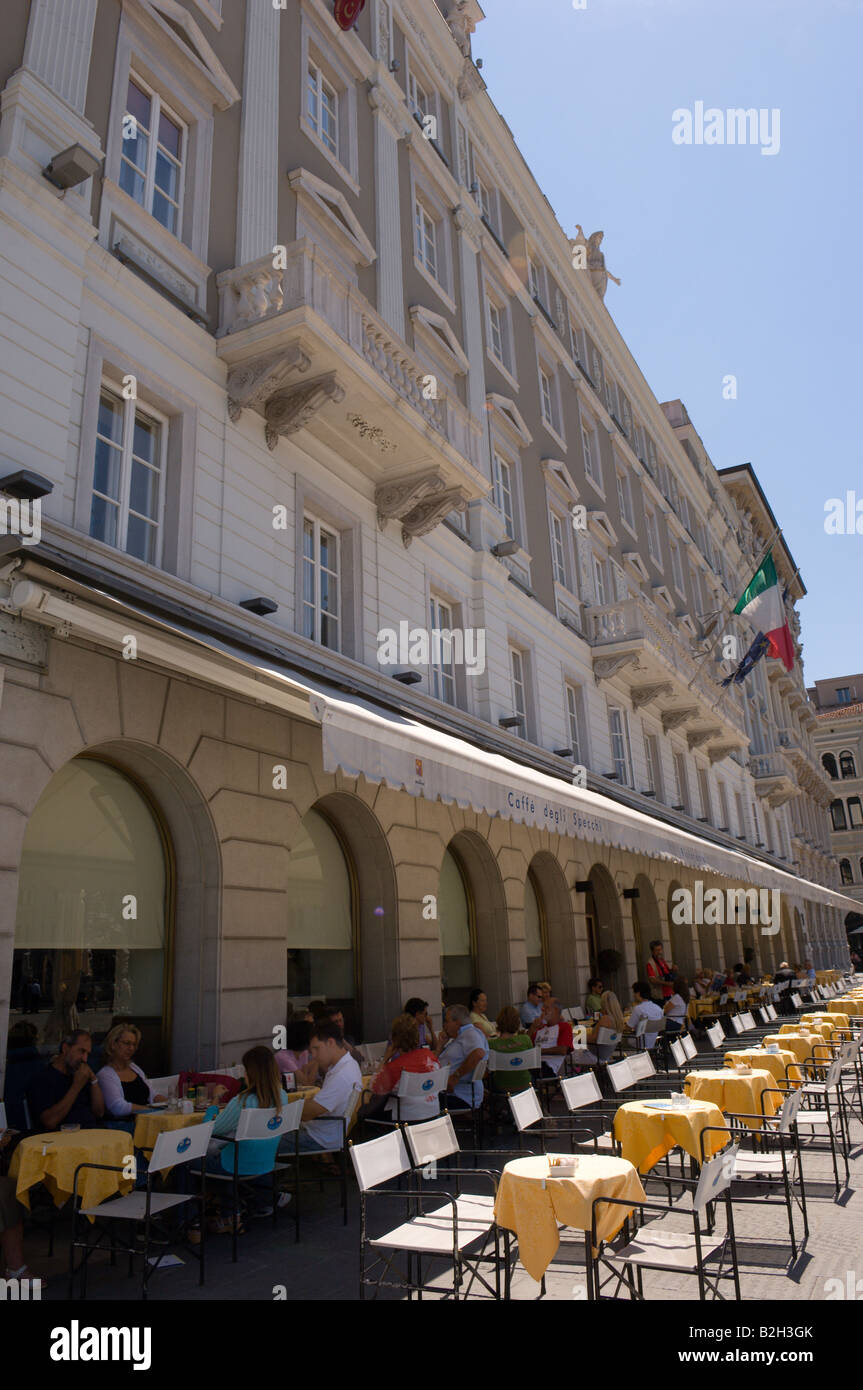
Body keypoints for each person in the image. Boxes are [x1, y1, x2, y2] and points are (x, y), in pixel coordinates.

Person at [202, 1046, 291, 1229]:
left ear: (250, 1072)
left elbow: (209, 1129)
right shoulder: (282, 1096)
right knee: (229, 1150)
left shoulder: (241, 1101)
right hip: (265, 1162)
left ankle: (192, 1221)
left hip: (235, 1165)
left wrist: (214, 1102)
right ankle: (234, 1209)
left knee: (187, 1161)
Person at [289, 1021, 362, 1152]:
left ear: (331, 1043)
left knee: (264, 1140)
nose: (314, 1055)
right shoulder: (347, 1065)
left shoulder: (342, 1074)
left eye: (317, 1048)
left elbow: (310, 1112)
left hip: (319, 1137)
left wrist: (284, 1109)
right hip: (326, 1132)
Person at [26, 1029, 105, 1131]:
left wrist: (93, 1079)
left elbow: (99, 1113)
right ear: (65, 1048)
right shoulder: (42, 1079)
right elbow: (49, 1122)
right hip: (64, 1139)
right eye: (81, 1051)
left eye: (88, 1054)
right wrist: (76, 1087)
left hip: (92, 1133)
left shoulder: (79, 1073)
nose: (85, 1059)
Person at [367, 1014, 439, 1118]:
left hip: (405, 1118)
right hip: (433, 1113)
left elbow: (373, 1088)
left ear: (394, 1040)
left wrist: (385, 1059)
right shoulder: (431, 1057)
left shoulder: (394, 1068)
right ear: (418, 1036)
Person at [96, 1023, 166, 1126]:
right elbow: (118, 1107)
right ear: (113, 1044)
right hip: (125, 1126)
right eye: (127, 1043)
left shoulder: (135, 1068)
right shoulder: (105, 1074)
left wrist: (172, 1103)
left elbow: (152, 1095)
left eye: (134, 1044)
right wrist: (150, 1111)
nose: (131, 1048)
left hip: (147, 1121)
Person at [437, 1005, 489, 1109]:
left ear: (458, 1022)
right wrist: (441, 1045)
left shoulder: (470, 1033)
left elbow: (479, 1053)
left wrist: (455, 1077)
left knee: (419, 1102)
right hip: (451, 1092)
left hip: (459, 1095)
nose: (444, 1025)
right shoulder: (461, 1036)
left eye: (447, 1021)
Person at [488, 1007, 534, 1094]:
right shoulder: (525, 1039)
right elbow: (531, 1062)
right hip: (525, 1084)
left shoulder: (491, 1044)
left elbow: (489, 1067)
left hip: (502, 1086)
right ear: (517, 1022)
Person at [529, 998, 573, 1076]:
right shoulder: (539, 1028)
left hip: (549, 1066)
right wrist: (532, 1028)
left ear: (555, 1010)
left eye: (546, 1007)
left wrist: (540, 1051)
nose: (542, 1009)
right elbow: (526, 1045)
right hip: (533, 1064)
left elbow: (562, 1050)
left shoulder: (564, 1027)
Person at [273, 1020, 318, 1088]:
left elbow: (306, 1082)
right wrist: (317, 1061)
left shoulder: (304, 1053)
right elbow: (307, 1083)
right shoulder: (283, 1057)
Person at [627, 981, 665, 1050]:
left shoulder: (638, 1009)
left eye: (634, 993)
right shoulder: (658, 1009)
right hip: (653, 1042)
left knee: (624, 1039)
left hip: (640, 1042)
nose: (633, 995)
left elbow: (628, 1027)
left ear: (638, 993)